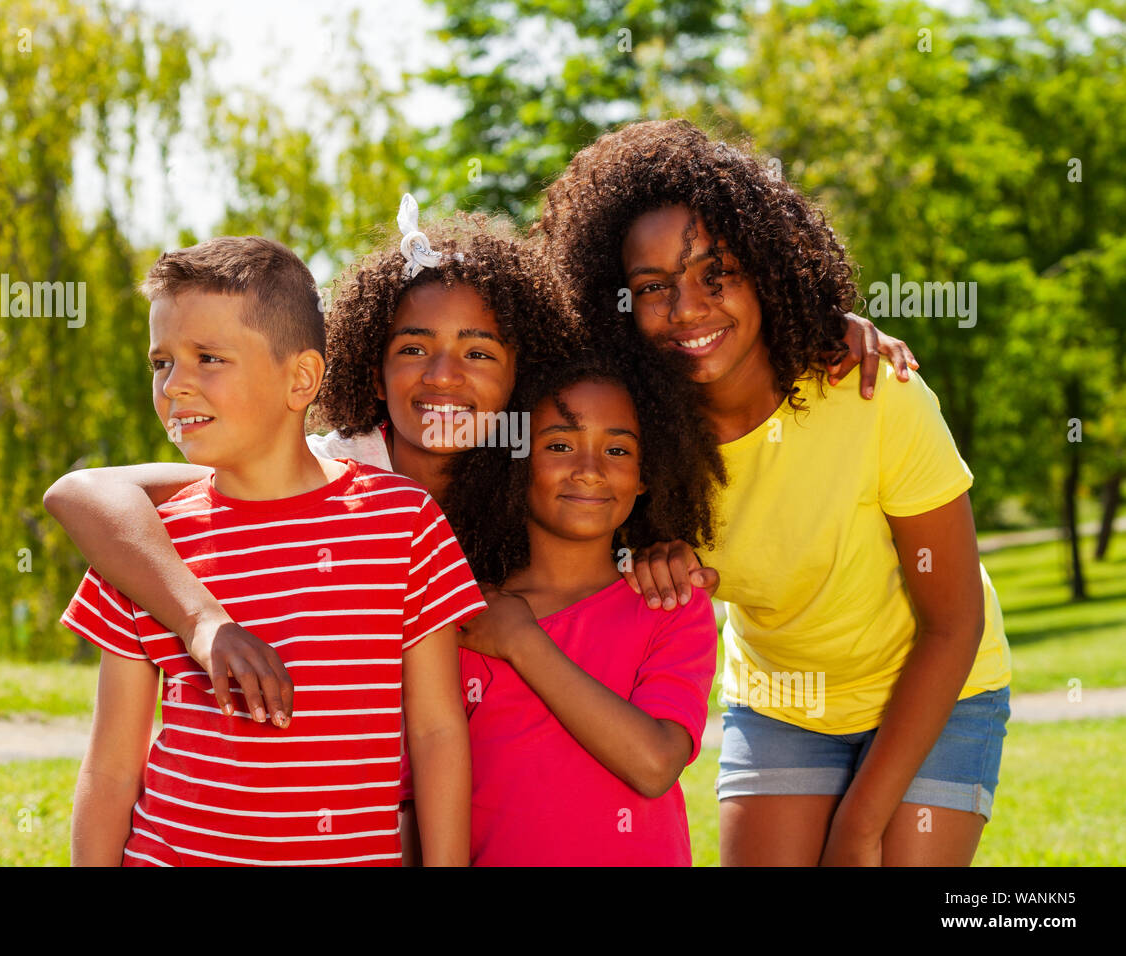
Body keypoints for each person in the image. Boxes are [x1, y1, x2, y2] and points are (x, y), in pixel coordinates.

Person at [538, 119, 1011, 866]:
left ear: (766, 267)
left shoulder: (872, 391)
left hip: (940, 689)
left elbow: (953, 624)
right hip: (784, 701)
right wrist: (647, 558)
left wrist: (857, 830)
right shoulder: (635, 435)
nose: (688, 308)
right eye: (652, 288)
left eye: (714, 273)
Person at [61, 235, 480, 866]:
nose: (176, 386)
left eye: (209, 358)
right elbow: (112, 769)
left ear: (301, 378)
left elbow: (436, 733)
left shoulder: (405, 523)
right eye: (161, 363)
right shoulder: (148, 547)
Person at [442, 350, 722, 864]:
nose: (590, 470)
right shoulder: (468, 616)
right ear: (516, 461)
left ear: (644, 474)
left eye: (617, 451)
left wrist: (522, 642)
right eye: (560, 445)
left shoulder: (671, 604)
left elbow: (655, 763)